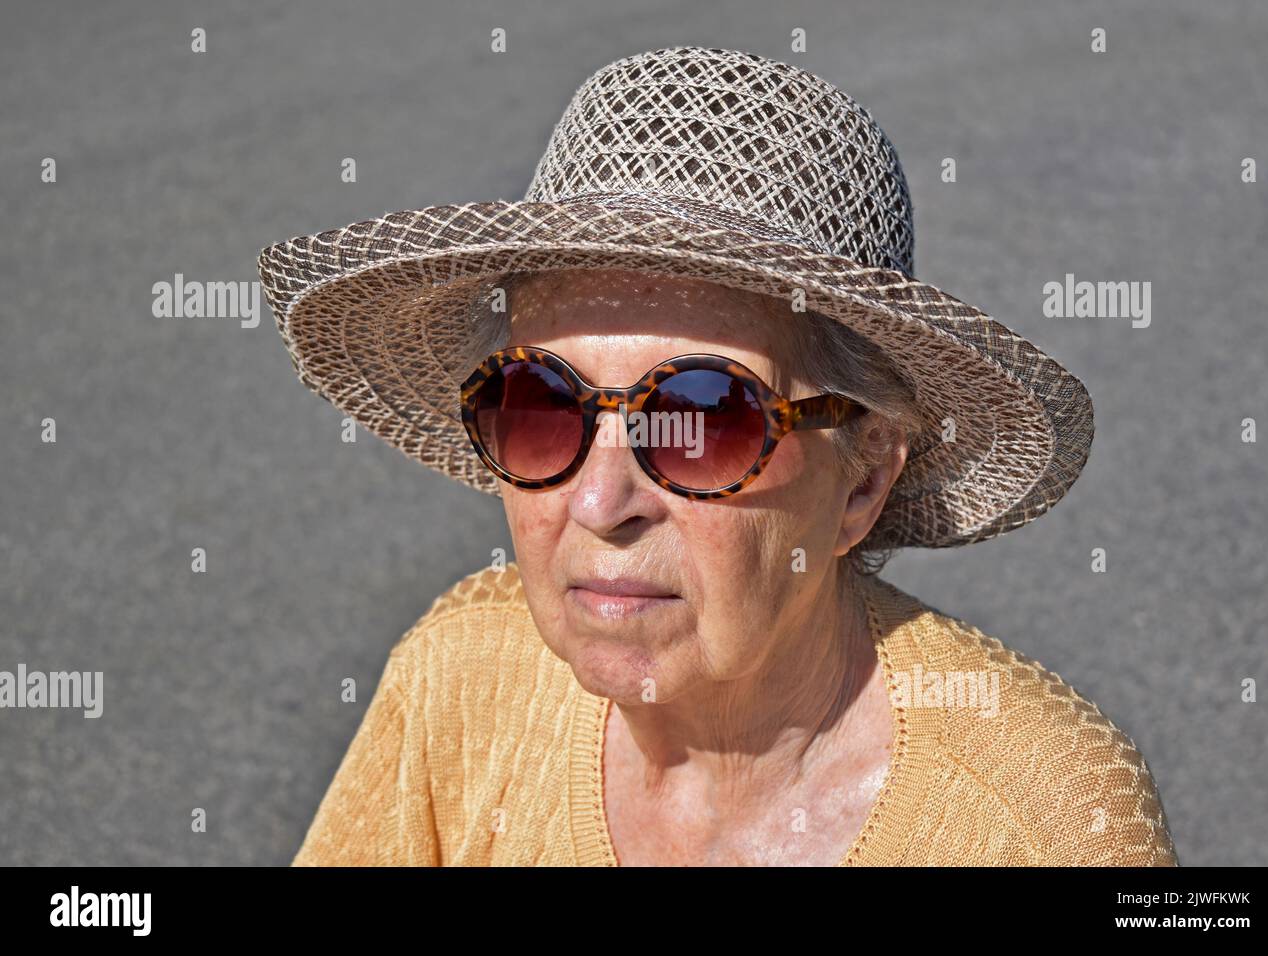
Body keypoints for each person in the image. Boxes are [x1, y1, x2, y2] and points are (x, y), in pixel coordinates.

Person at [257, 46, 1176, 866]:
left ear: (863, 477)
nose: (599, 501)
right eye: (538, 403)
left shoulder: (1049, 826)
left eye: (700, 418)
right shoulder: (458, 679)